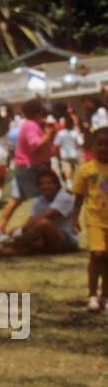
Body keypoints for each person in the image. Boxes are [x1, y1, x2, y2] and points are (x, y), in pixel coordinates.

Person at [0, 167, 78, 259]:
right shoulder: (39, 200)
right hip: (46, 238)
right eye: (41, 184)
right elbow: (30, 220)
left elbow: (46, 215)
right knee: (29, 247)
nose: (45, 186)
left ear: (56, 185)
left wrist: (22, 230)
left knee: (43, 223)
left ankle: (10, 244)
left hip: (66, 240)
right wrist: (18, 229)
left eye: (48, 183)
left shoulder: (64, 197)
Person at [0, 99, 53, 235]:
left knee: (16, 199)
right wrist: (47, 135)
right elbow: (34, 145)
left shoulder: (29, 125)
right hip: (30, 166)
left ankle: (1, 227)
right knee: (44, 197)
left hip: (23, 165)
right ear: (39, 112)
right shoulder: (31, 126)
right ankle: (31, 228)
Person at [72, 126, 108, 311]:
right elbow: (78, 197)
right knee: (97, 254)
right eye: (100, 144)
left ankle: (105, 295)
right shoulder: (86, 169)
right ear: (93, 146)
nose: (104, 148)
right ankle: (92, 294)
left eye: (107, 144)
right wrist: (74, 219)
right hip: (95, 220)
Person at [56, 112, 83, 189]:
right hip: (75, 154)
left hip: (65, 155)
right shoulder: (76, 133)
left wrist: (56, 154)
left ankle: (69, 185)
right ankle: (78, 184)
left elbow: (56, 144)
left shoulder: (60, 133)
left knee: (68, 170)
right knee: (77, 170)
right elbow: (81, 143)